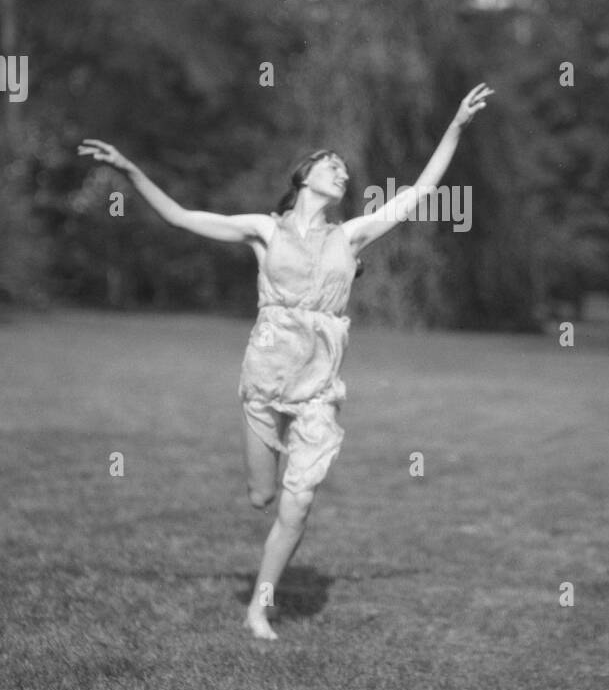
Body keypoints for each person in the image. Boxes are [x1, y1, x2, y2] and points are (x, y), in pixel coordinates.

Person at [78, 82, 493, 639]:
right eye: (331, 165)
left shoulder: (351, 236)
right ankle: (260, 529)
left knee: (296, 509)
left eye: (345, 169)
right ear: (304, 177)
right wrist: (128, 169)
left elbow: (419, 192)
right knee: (261, 497)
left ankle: (259, 608)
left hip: (320, 387)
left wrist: (456, 126)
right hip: (266, 376)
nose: (342, 172)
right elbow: (178, 216)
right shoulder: (263, 230)